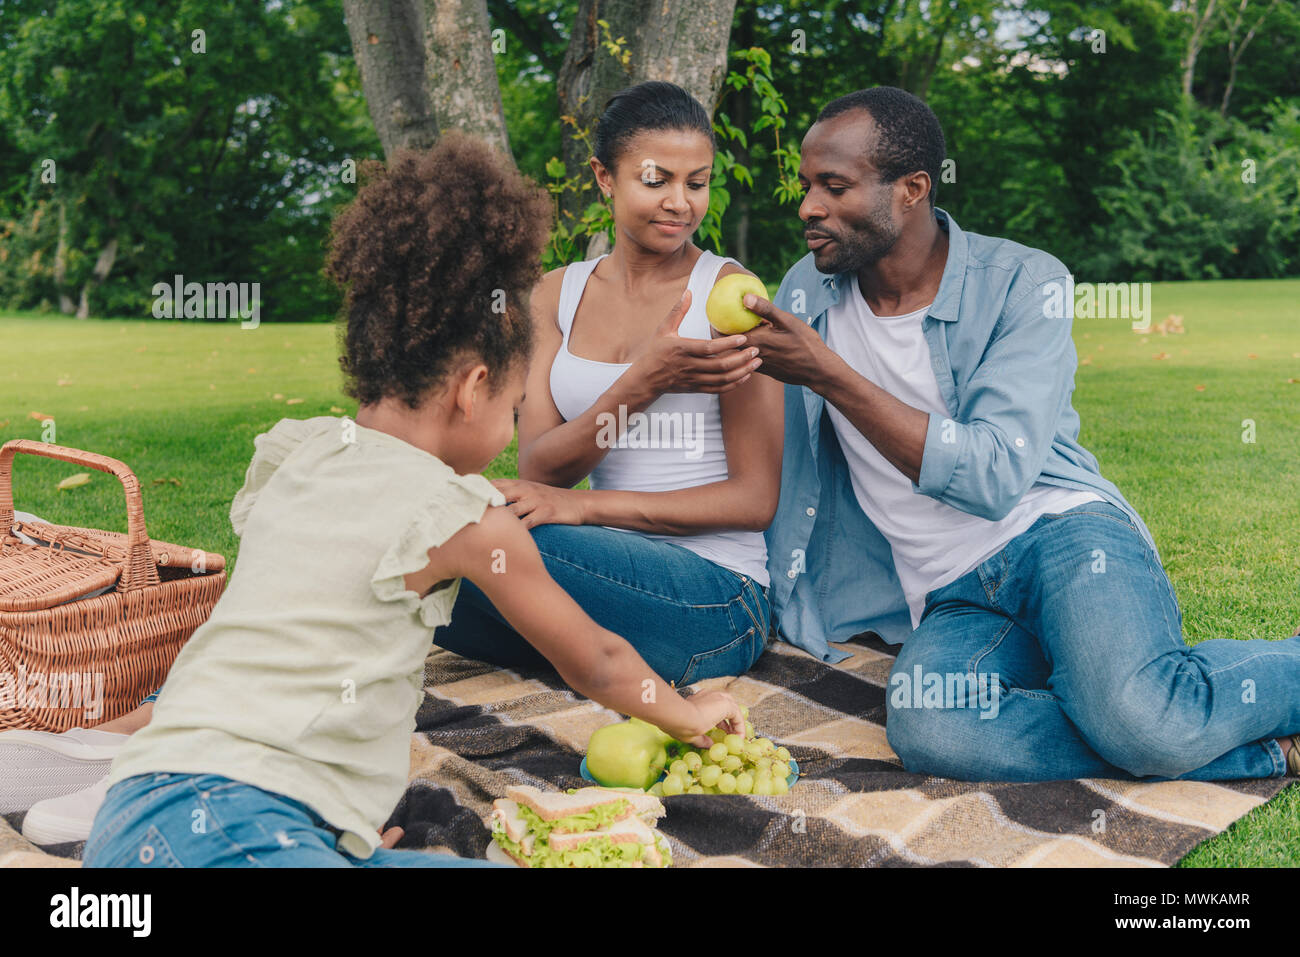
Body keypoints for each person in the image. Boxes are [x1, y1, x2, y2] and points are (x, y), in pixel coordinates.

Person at [63, 132, 744, 867]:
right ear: (473, 387)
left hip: (141, 806)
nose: (510, 428)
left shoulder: (300, 452)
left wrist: (331, 828)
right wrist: (691, 715)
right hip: (230, 826)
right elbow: (602, 663)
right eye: (514, 405)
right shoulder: (460, 515)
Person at [746, 86, 1300, 782]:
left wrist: (828, 374)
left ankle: (1206, 692)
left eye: (834, 186)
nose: (808, 208)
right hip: (952, 590)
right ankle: (1258, 751)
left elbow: (992, 475)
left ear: (913, 188)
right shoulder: (807, 293)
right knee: (930, 727)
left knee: (1143, 721)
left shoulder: (1024, 282)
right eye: (805, 186)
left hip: (1062, 536)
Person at [432, 81, 784, 688]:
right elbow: (543, 471)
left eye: (696, 183)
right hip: (594, 567)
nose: (680, 202)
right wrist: (642, 382)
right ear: (604, 177)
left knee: (475, 545)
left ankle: (577, 645)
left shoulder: (732, 298)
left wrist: (585, 508)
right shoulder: (554, 294)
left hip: (714, 598)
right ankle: (583, 652)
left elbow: (754, 500)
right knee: (412, 535)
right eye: (656, 180)